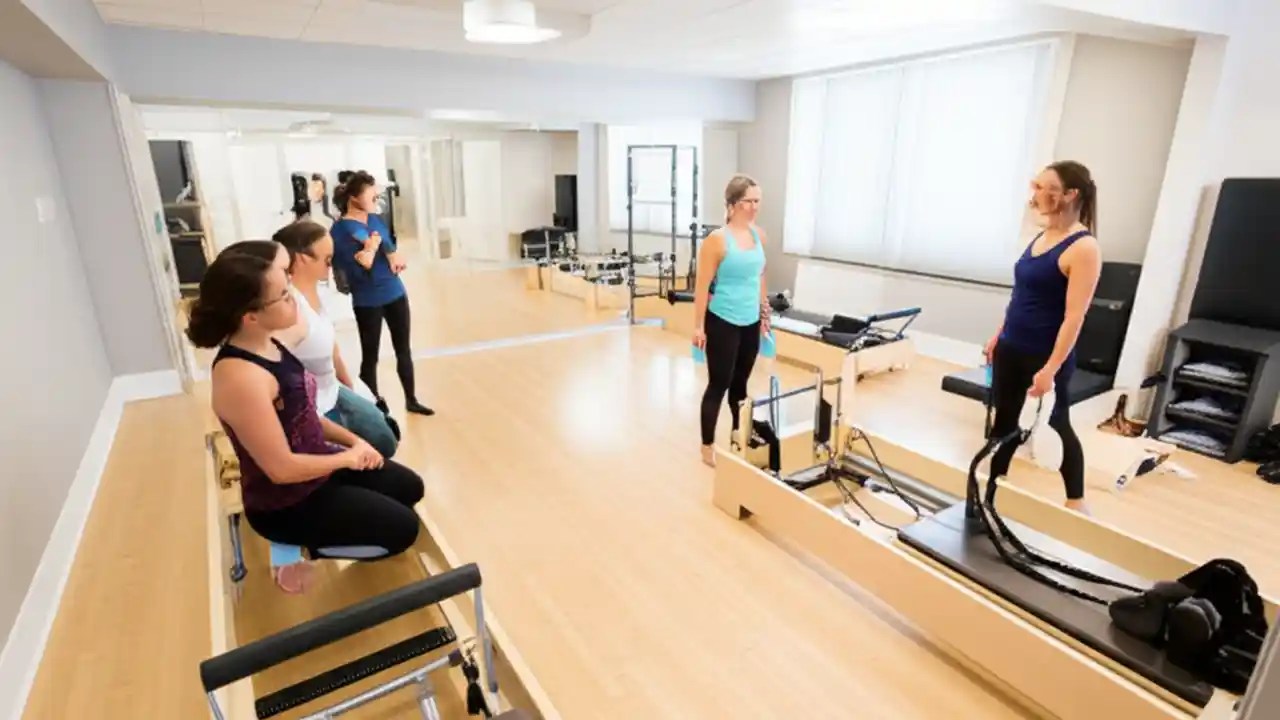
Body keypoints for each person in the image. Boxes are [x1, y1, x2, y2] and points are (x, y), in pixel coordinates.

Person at [187, 251, 424, 593]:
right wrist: (347, 458)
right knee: (404, 530)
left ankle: (337, 510)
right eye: (283, 295)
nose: (292, 299)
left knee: (410, 488)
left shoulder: (270, 342)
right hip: (287, 503)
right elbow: (281, 470)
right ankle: (302, 547)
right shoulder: (240, 378)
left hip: (320, 466)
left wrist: (354, 442)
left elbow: (303, 415)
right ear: (250, 317)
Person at [984, 160, 1102, 513]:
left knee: (1057, 424)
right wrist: (999, 335)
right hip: (1011, 347)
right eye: (1034, 186)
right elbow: (1020, 296)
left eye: (1042, 187)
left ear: (1069, 194)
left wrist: (1051, 368)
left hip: (1044, 354)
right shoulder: (1042, 235)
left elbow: (1074, 316)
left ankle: (1077, 502)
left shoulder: (1084, 247)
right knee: (1003, 420)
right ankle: (990, 490)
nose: (1034, 195)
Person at [224, 232, 400, 458]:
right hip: (312, 406)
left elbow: (332, 349)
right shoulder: (284, 315)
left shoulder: (313, 296)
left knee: (386, 439)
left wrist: (351, 389)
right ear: (301, 258)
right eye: (282, 271)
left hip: (332, 391)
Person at [330, 171, 434, 416]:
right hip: (367, 300)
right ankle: (374, 403)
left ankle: (411, 399)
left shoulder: (376, 220)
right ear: (354, 197)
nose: (377, 197)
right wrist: (371, 248)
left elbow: (390, 247)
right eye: (371, 193)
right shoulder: (341, 231)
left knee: (403, 349)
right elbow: (359, 263)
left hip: (394, 291)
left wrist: (395, 258)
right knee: (371, 354)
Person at [692, 175, 769, 468]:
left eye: (757, 201)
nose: (754, 207)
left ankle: (740, 436)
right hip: (722, 320)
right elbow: (702, 286)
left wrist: (764, 313)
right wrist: (698, 326)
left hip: (750, 322)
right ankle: (707, 445)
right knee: (719, 384)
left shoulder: (758, 236)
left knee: (741, 385)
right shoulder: (716, 240)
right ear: (733, 204)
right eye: (749, 201)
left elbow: (760, 275)